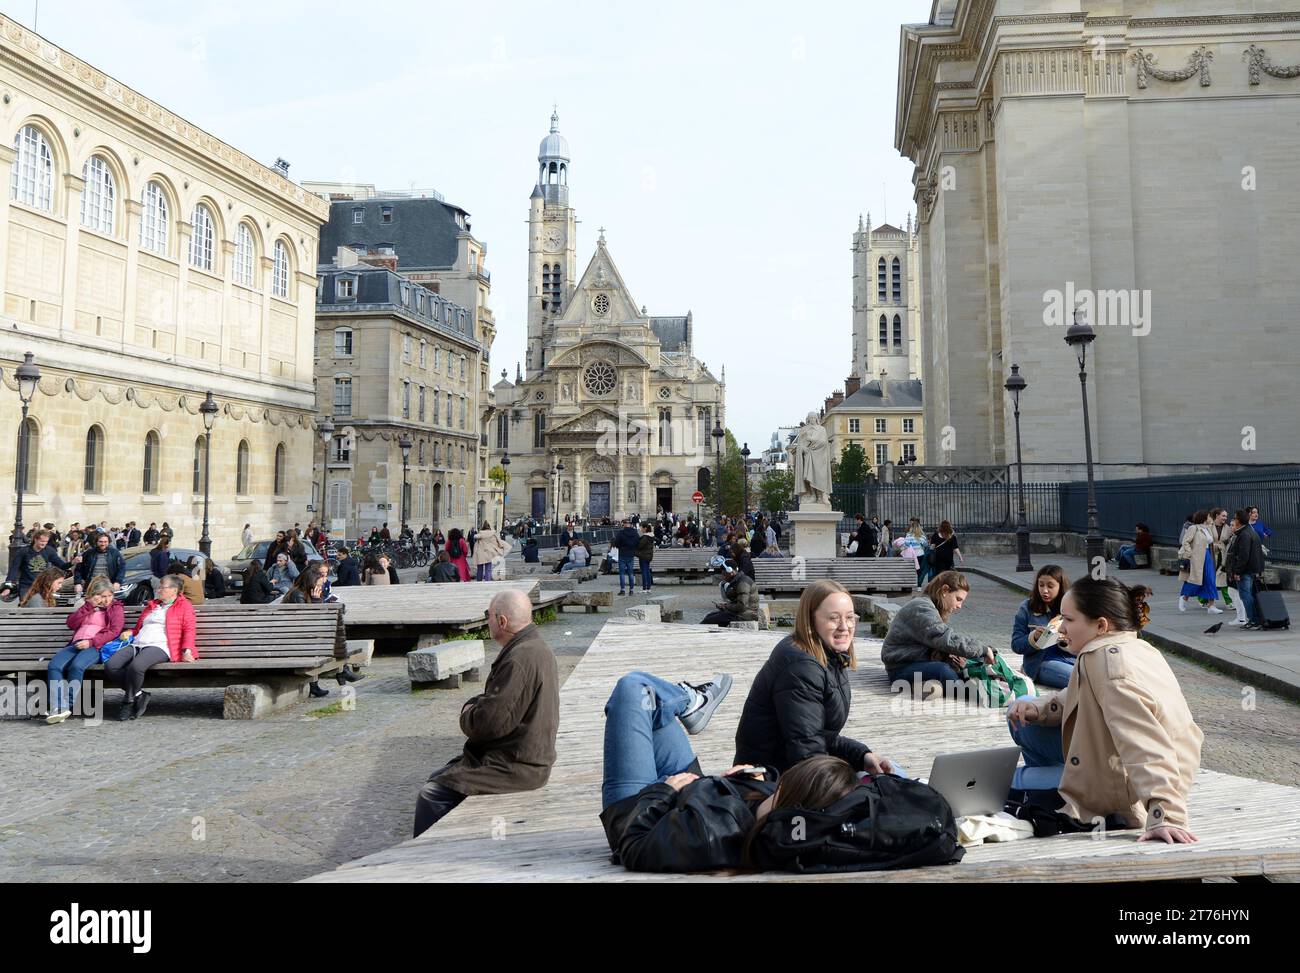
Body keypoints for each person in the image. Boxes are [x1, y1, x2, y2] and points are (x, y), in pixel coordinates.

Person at [1007, 577, 1203, 844]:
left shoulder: (1109, 666)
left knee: (1003, 786)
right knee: (1020, 716)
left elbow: (1144, 742)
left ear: (1100, 625)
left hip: (1123, 791)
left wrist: (1164, 814)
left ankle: (1067, 800)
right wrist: (1036, 708)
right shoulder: (1132, 647)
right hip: (1119, 768)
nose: (1061, 628)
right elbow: (1078, 696)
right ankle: (1061, 785)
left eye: (1068, 619)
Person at [413, 589, 561, 837]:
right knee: (442, 775)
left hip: (518, 766)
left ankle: (424, 856)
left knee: (432, 794)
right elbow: (501, 703)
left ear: (502, 621)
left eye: (488, 615)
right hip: (523, 756)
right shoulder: (532, 647)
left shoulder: (521, 657)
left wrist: (467, 712)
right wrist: (478, 704)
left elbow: (489, 724)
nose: (487, 620)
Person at [734, 580, 899, 775]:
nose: (844, 627)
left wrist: (862, 756)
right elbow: (806, 754)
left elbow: (818, 735)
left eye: (850, 618)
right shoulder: (801, 668)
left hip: (792, 769)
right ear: (811, 621)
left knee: (892, 774)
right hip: (771, 780)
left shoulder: (829, 656)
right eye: (833, 618)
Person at [881, 571, 996, 697]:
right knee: (943, 670)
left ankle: (926, 686)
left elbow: (937, 643)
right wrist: (983, 649)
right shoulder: (921, 608)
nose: (959, 606)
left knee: (952, 667)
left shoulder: (929, 606)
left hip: (915, 662)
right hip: (899, 668)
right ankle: (975, 692)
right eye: (958, 599)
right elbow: (945, 638)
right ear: (945, 590)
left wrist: (952, 657)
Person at [106, 574, 197, 721]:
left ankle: (128, 702)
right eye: (159, 586)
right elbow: (140, 628)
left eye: (162, 587)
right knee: (111, 665)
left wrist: (187, 650)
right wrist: (131, 632)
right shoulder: (152, 606)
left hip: (160, 645)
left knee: (135, 667)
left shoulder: (184, 606)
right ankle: (139, 695)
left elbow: (189, 629)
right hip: (138, 643)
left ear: (174, 590)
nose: (158, 589)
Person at [43, 577, 125, 724]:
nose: (106, 600)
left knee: (77, 666)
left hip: (97, 646)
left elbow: (114, 631)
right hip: (76, 643)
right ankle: (57, 706)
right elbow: (71, 623)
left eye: (109, 596)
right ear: (95, 595)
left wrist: (91, 642)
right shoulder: (87, 606)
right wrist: (88, 607)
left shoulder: (116, 608)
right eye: (102, 596)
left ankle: (66, 706)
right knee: (54, 666)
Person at [1011, 565, 1074, 689]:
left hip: (1070, 659)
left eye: (1050, 586)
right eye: (1041, 585)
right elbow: (1016, 645)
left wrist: (1067, 642)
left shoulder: (1072, 607)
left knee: (1096, 675)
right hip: (1040, 662)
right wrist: (1033, 637)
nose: (1044, 590)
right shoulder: (1026, 608)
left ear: (1061, 586)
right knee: (1078, 680)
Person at [3, 529, 75, 602]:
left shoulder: (49, 550)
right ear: (35, 539)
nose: (44, 544)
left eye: (46, 542)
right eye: (42, 541)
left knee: (42, 608)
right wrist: (8, 586)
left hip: (43, 586)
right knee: (26, 607)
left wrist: (72, 562)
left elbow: (62, 565)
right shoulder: (24, 551)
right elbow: (14, 569)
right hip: (27, 586)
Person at [1226, 507, 1267, 631]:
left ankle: (1253, 620)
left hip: (1245, 570)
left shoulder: (1244, 534)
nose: (1234, 520)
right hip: (1251, 569)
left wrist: (1237, 571)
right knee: (1248, 594)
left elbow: (1243, 555)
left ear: (1238, 521)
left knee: (1245, 595)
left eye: (1235, 518)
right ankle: (1255, 619)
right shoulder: (1250, 531)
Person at [1177, 510, 1221, 615]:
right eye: (1210, 516)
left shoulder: (1208, 529)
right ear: (1204, 517)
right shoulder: (1194, 528)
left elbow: (1208, 543)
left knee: (1210, 579)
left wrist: (1217, 547)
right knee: (1195, 580)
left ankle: (1211, 605)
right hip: (1197, 558)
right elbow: (1185, 542)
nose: (1211, 518)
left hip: (1207, 556)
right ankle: (1184, 597)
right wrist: (1190, 553)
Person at [700, 560, 759, 627]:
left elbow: (742, 606)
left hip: (745, 615)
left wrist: (726, 606)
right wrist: (725, 606)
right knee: (709, 616)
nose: (723, 577)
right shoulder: (739, 580)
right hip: (743, 613)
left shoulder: (742, 583)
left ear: (730, 572)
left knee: (708, 620)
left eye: (724, 574)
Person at [73, 530, 125, 597]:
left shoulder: (115, 553)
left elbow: (122, 568)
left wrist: (118, 582)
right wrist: (77, 583)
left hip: (108, 586)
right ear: (96, 542)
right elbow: (78, 569)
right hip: (91, 587)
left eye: (105, 542)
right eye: (100, 542)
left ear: (109, 542)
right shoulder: (89, 553)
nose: (103, 544)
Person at [614, 520, 640, 595]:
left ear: (624, 525)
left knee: (622, 573)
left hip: (622, 554)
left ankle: (623, 590)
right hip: (631, 554)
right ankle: (631, 590)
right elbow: (637, 542)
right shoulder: (635, 533)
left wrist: (621, 547)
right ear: (630, 524)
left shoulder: (621, 533)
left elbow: (616, 543)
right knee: (631, 573)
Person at [635, 523, 655, 593]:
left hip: (643, 556)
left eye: (641, 528)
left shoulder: (645, 537)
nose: (641, 529)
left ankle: (644, 588)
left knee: (644, 572)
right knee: (647, 571)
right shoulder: (651, 536)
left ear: (645, 528)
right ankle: (648, 588)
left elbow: (639, 546)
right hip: (649, 555)